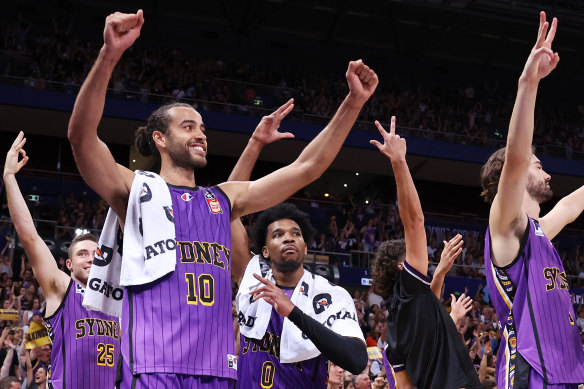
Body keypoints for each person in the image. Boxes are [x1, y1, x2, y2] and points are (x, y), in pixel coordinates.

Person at [66, 10, 378, 388]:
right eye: (188, 127)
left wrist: (353, 104)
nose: (201, 135)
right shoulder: (135, 190)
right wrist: (109, 55)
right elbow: (82, 138)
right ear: (159, 139)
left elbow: (307, 168)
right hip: (153, 365)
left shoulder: (221, 199)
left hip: (218, 370)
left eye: (202, 128)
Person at [480, 11, 584, 388]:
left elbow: (572, 207)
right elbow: (518, 153)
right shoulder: (505, 224)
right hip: (531, 369)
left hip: (568, 370)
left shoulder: (538, 232)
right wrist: (529, 82)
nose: (547, 173)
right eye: (538, 166)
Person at [369, 117, 481, 389]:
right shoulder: (409, 288)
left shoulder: (398, 319)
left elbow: (406, 384)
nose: (420, 257)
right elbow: (414, 221)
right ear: (400, 267)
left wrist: (449, 315)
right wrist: (399, 162)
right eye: (409, 255)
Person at [3, 132, 120, 389]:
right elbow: (30, 237)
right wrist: (9, 178)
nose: (91, 259)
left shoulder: (117, 297)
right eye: (82, 254)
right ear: (69, 265)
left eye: (96, 254)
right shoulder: (63, 289)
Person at [235, 203, 367, 388]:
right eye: (278, 234)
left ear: (305, 248)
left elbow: (357, 360)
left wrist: (293, 312)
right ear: (265, 251)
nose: (289, 238)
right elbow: (230, 206)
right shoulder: (252, 277)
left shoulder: (331, 294)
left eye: (296, 234)